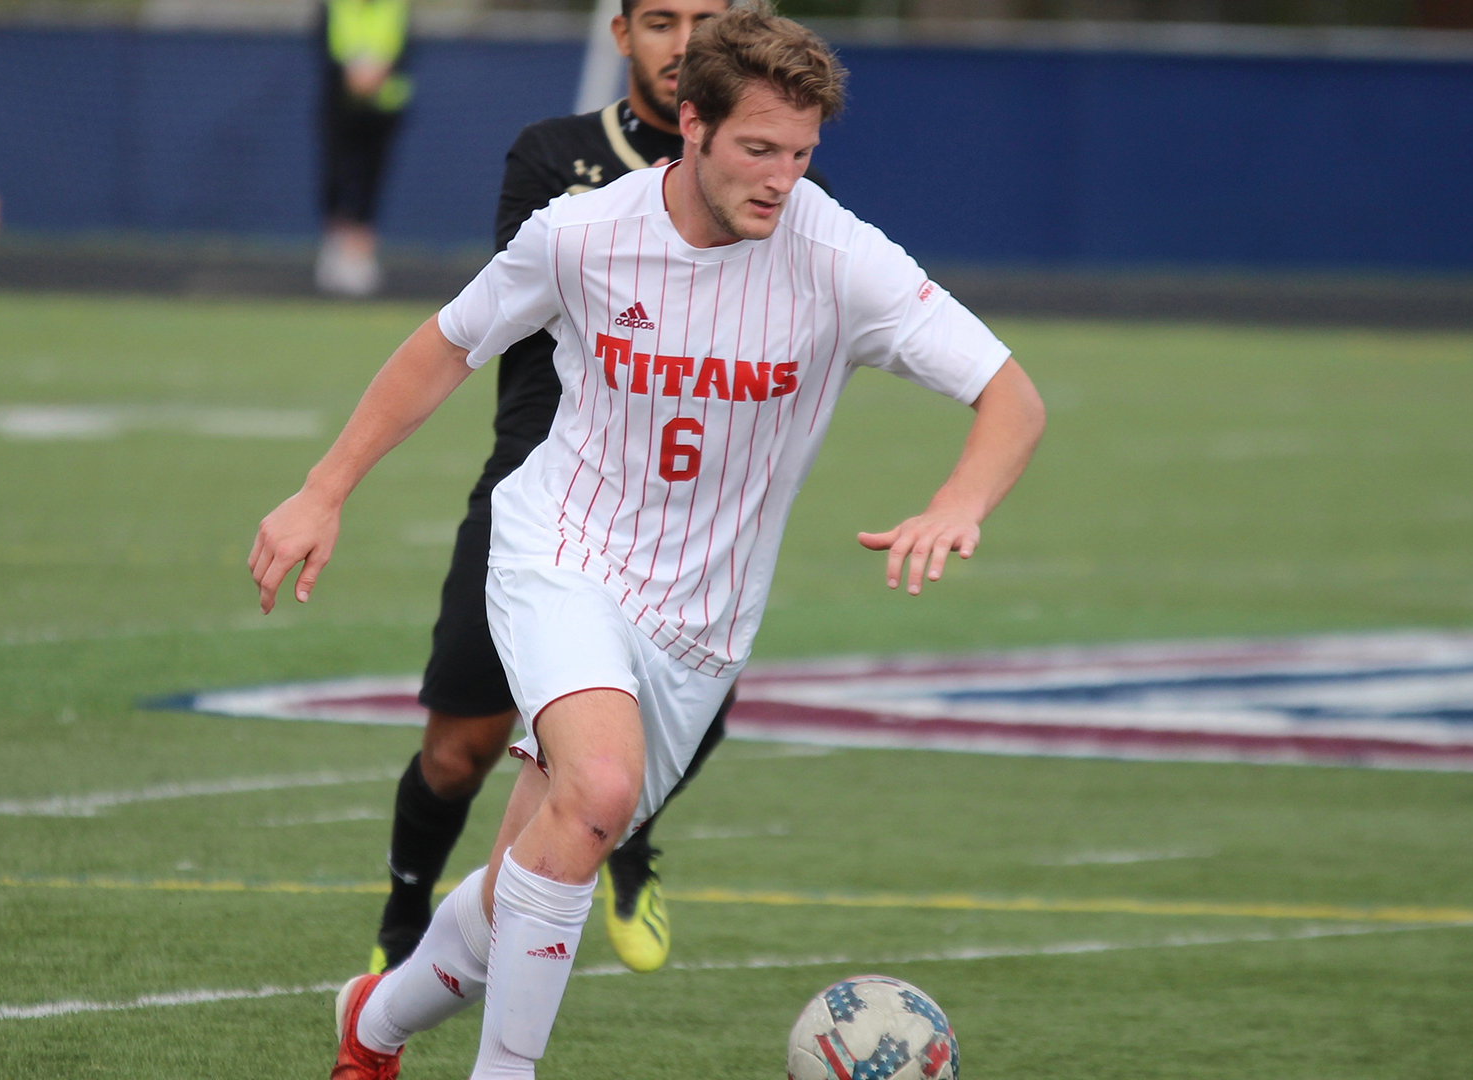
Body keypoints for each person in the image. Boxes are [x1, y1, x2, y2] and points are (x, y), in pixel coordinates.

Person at [249, 10, 1045, 1078]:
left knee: (527, 881)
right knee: (601, 793)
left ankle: (372, 1024)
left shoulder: (839, 256)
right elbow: (447, 345)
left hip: (701, 628)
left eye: (801, 154)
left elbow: (1010, 394)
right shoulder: (582, 231)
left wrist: (962, 501)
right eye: (758, 149)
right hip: (562, 551)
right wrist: (321, 489)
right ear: (692, 123)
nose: (781, 178)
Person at [368, 0, 742, 984]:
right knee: (460, 751)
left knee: (678, 723)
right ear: (621, 35)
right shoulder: (554, 159)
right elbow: (514, 314)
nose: (686, 43)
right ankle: (406, 914)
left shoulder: (771, 175)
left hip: (678, 518)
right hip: (543, 495)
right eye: (661, 20)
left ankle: (626, 834)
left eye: (709, 19)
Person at [315, 0, 412, 298]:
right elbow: (325, 45)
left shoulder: (394, 7)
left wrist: (378, 72)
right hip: (341, 106)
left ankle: (360, 256)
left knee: (371, 179)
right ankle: (335, 249)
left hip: (382, 109)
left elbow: (404, 48)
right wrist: (352, 72)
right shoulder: (337, 6)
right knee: (337, 175)